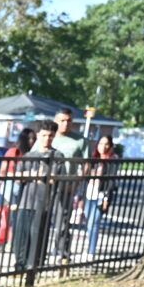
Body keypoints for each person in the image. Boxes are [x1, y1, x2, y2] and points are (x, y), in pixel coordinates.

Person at [14, 120, 65, 272]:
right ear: (38, 135)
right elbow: (17, 177)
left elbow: (54, 178)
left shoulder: (57, 156)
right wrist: (34, 175)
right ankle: (19, 266)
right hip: (26, 202)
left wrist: (35, 176)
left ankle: (34, 267)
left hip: (43, 203)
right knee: (21, 237)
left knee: (38, 236)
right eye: (44, 135)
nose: (47, 139)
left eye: (50, 136)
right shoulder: (29, 155)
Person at [49, 107, 91, 263]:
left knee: (62, 222)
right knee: (42, 220)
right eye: (62, 120)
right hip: (46, 185)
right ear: (55, 121)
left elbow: (86, 165)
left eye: (69, 120)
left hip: (66, 186)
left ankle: (63, 254)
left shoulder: (80, 140)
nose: (66, 124)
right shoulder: (48, 137)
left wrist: (76, 183)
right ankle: (39, 255)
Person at [82, 134, 120, 257]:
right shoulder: (94, 160)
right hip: (89, 194)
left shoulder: (112, 160)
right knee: (89, 222)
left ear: (110, 146)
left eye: (106, 144)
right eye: (101, 144)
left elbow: (111, 182)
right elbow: (85, 178)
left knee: (94, 222)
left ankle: (91, 251)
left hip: (101, 195)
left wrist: (106, 199)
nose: (103, 147)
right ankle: (89, 246)